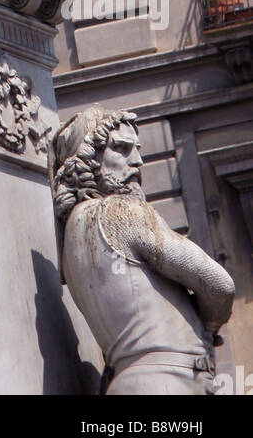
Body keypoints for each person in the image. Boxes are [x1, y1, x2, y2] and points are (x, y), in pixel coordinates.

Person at [52, 106, 235, 395]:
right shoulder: (120, 210)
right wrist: (209, 323)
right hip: (168, 381)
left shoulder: (70, 238)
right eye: (121, 149)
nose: (137, 161)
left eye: (136, 149)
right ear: (87, 160)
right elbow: (219, 284)